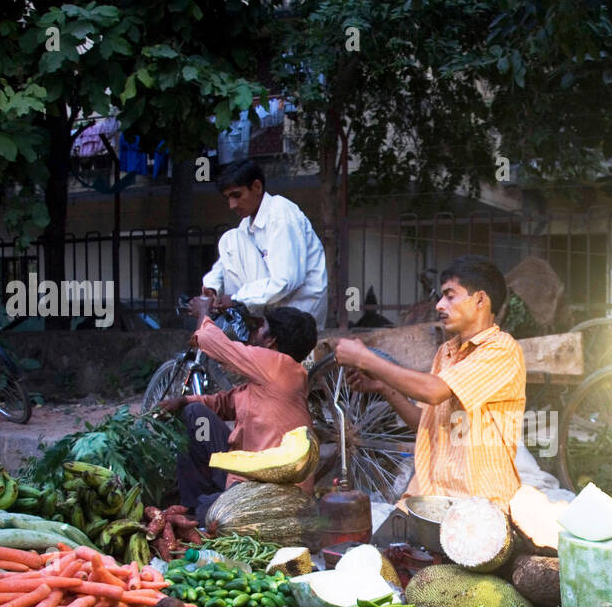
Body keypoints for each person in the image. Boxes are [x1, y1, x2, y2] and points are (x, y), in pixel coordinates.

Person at [334, 255, 525, 509]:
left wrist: (365, 358)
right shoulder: (446, 352)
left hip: (480, 504)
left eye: (450, 295)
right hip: (436, 499)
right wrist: (384, 388)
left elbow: (434, 392)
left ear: (480, 299)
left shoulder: (501, 350)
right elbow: (424, 423)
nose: (438, 305)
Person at [157, 305, 317, 521]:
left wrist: (204, 311)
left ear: (271, 340)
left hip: (269, 489)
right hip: (249, 471)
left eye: (262, 328)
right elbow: (228, 402)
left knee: (208, 510)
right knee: (195, 412)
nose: (255, 333)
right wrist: (184, 400)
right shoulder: (279, 375)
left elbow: (212, 343)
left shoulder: (275, 364)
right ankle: (196, 509)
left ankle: (197, 512)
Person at [194, 160, 329, 329]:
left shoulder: (281, 214)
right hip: (274, 310)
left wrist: (237, 299)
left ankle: (239, 318)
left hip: (298, 313)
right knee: (231, 239)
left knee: (231, 238)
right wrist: (212, 288)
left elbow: (286, 281)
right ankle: (239, 320)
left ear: (257, 187)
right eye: (228, 198)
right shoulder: (247, 223)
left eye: (237, 195)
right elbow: (225, 264)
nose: (232, 205)